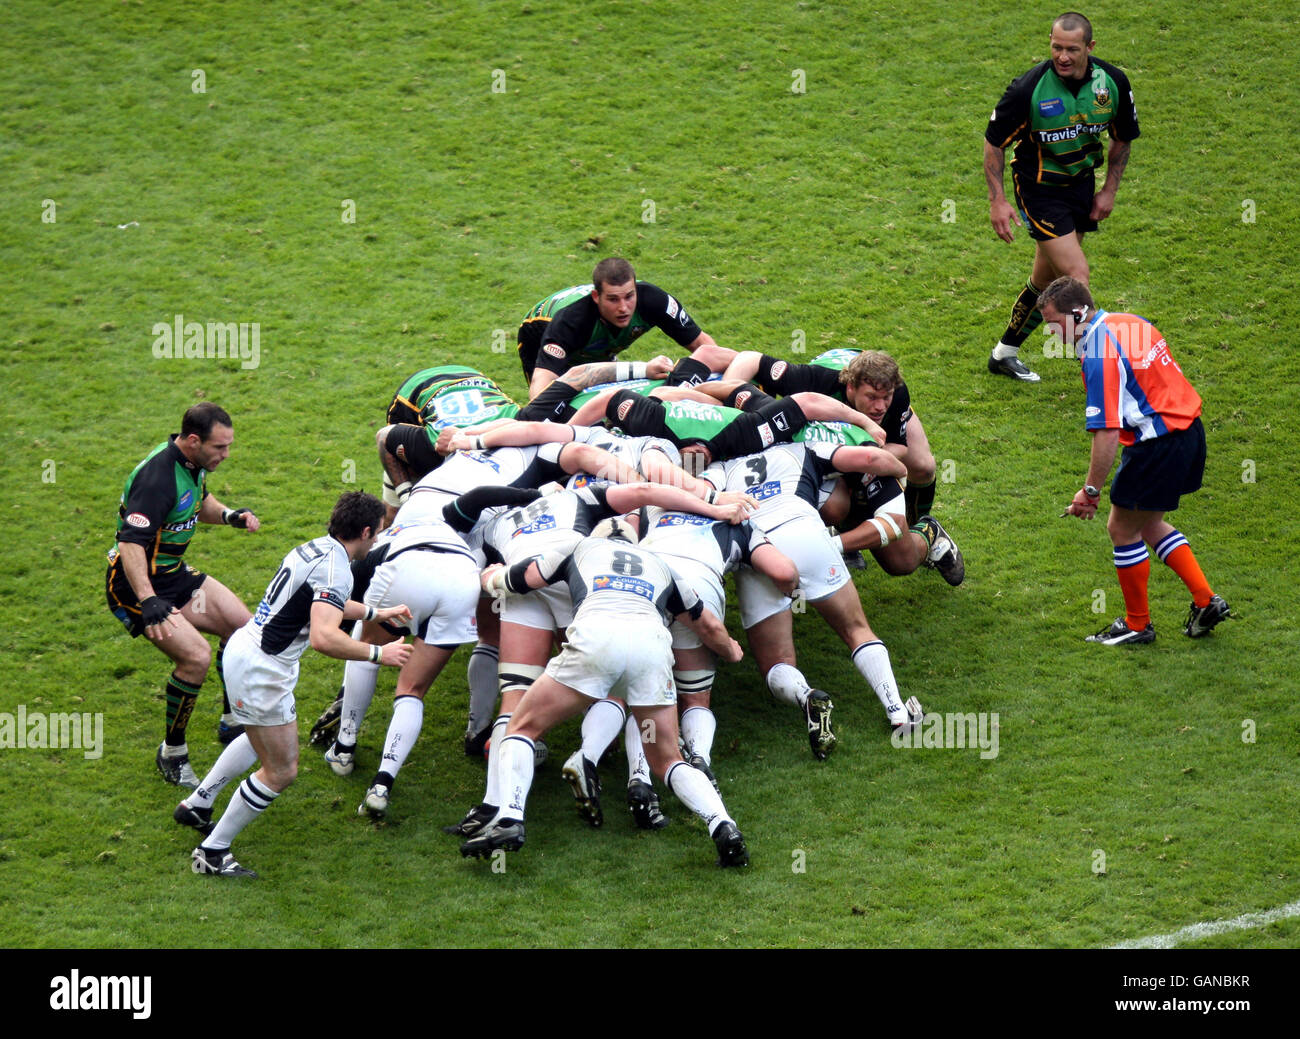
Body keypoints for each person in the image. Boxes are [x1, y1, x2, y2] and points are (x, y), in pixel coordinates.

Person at [459, 519, 751, 867]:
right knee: (668, 759)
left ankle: (510, 817)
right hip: (652, 650)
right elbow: (707, 624)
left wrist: (489, 577)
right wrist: (732, 651)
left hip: (596, 639)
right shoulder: (661, 564)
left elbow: (521, 579)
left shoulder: (578, 547)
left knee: (520, 727)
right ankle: (724, 825)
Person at [180, 492, 412, 877]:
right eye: (378, 534)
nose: (377, 542)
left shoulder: (315, 548)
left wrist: (377, 612)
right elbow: (324, 636)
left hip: (244, 649)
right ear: (366, 531)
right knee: (282, 770)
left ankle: (198, 803)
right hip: (264, 672)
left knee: (259, 741)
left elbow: (326, 603)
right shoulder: (339, 570)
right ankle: (212, 851)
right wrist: (377, 655)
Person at [1040, 276, 1231, 644]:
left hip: (1155, 446)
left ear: (1078, 313)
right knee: (1148, 523)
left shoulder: (1098, 352)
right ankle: (1206, 601)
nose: (1052, 333)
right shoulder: (1132, 322)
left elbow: (1107, 432)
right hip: (1190, 433)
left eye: (1054, 324)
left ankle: (1137, 625)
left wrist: (1091, 490)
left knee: (1122, 529)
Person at [106, 402, 261, 787]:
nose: (226, 454)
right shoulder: (157, 478)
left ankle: (232, 721)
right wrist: (148, 600)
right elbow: (130, 543)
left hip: (173, 576)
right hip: (135, 586)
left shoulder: (191, 466)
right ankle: (172, 752)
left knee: (243, 630)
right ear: (193, 440)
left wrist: (229, 515)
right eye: (220, 448)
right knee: (196, 658)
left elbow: (197, 504)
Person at [984, 11, 1140, 382]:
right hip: (1039, 190)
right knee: (1076, 273)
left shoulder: (1112, 82)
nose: (1062, 56)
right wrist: (998, 201)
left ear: (1090, 47)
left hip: (1081, 187)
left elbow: (1123, 137)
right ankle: (1101, 367)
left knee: (1045, 281)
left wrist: (1108, 190)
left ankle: (1003, 354)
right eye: (1056, 48)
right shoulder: (1028, 90)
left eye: (1072, 49)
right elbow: (994, 143)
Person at [519, 258, 732, 399]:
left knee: (605, 394)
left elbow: (704, 346)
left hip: (597, 343)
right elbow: (541, 387)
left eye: (629, 296)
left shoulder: (654, 300)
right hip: (539, 335)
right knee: (559, 402)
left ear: (636, 290)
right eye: (612, 299)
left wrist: (727, 389)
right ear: (597, 297)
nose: (623, 308)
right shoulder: (572, 321)